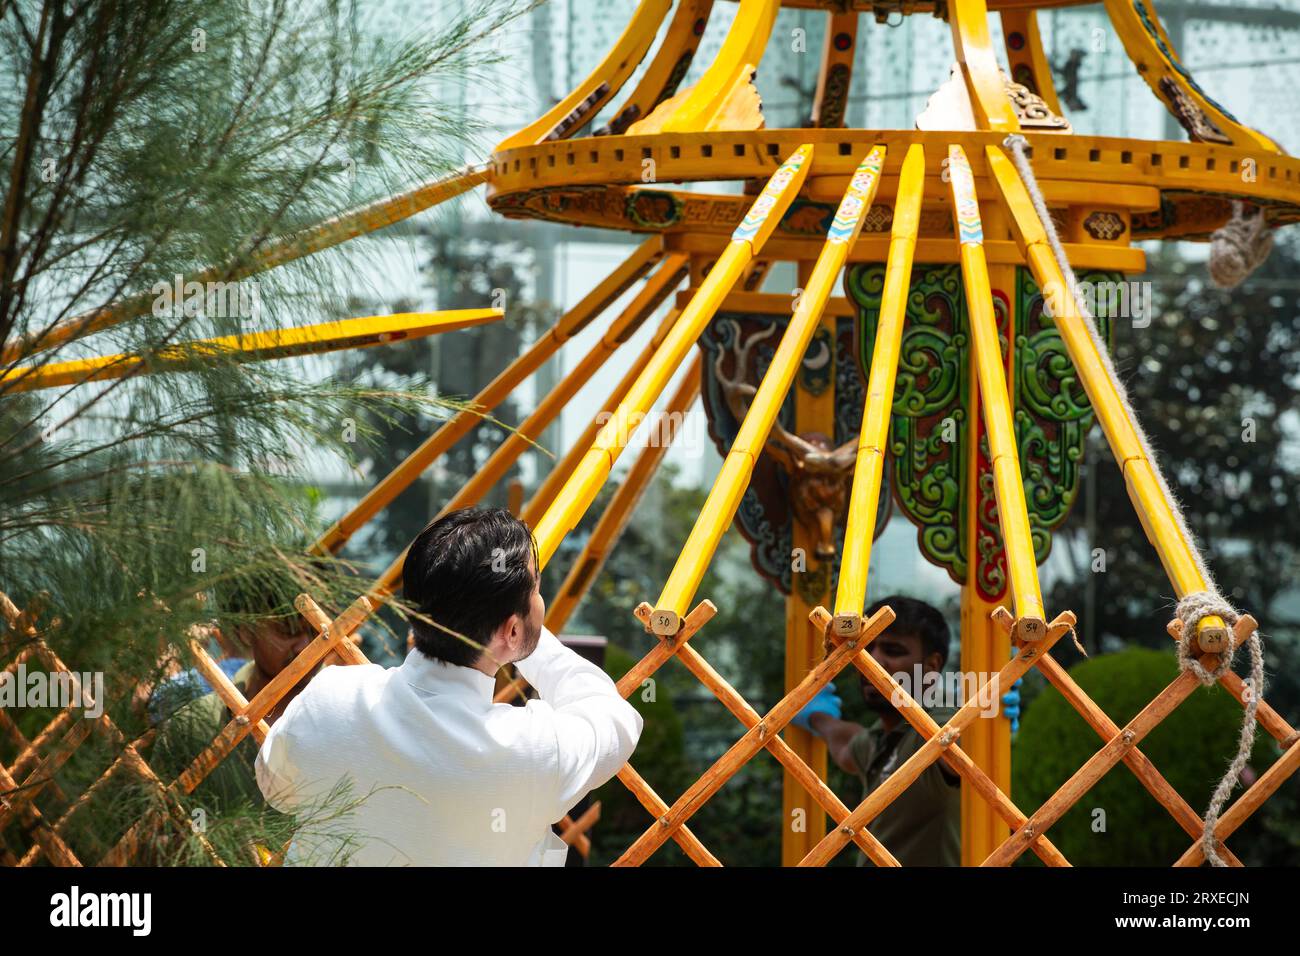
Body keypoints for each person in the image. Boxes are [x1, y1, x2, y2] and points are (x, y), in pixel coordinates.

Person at [254, 507, 643, 866]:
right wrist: (530, 643)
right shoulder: (531, 749)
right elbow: (615, 719)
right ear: (510, 629)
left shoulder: (330, 697)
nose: (541, 600)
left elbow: (276, 789)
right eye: (537, 589)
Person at [793, 595, 962, 867]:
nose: (873, 661)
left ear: (932, 665)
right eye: (866, 649)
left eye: (893, 651)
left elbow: (962, 742)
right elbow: (846, 743)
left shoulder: (936, 728)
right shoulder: (883, 739)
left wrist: (990, 717)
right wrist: (818, 716)